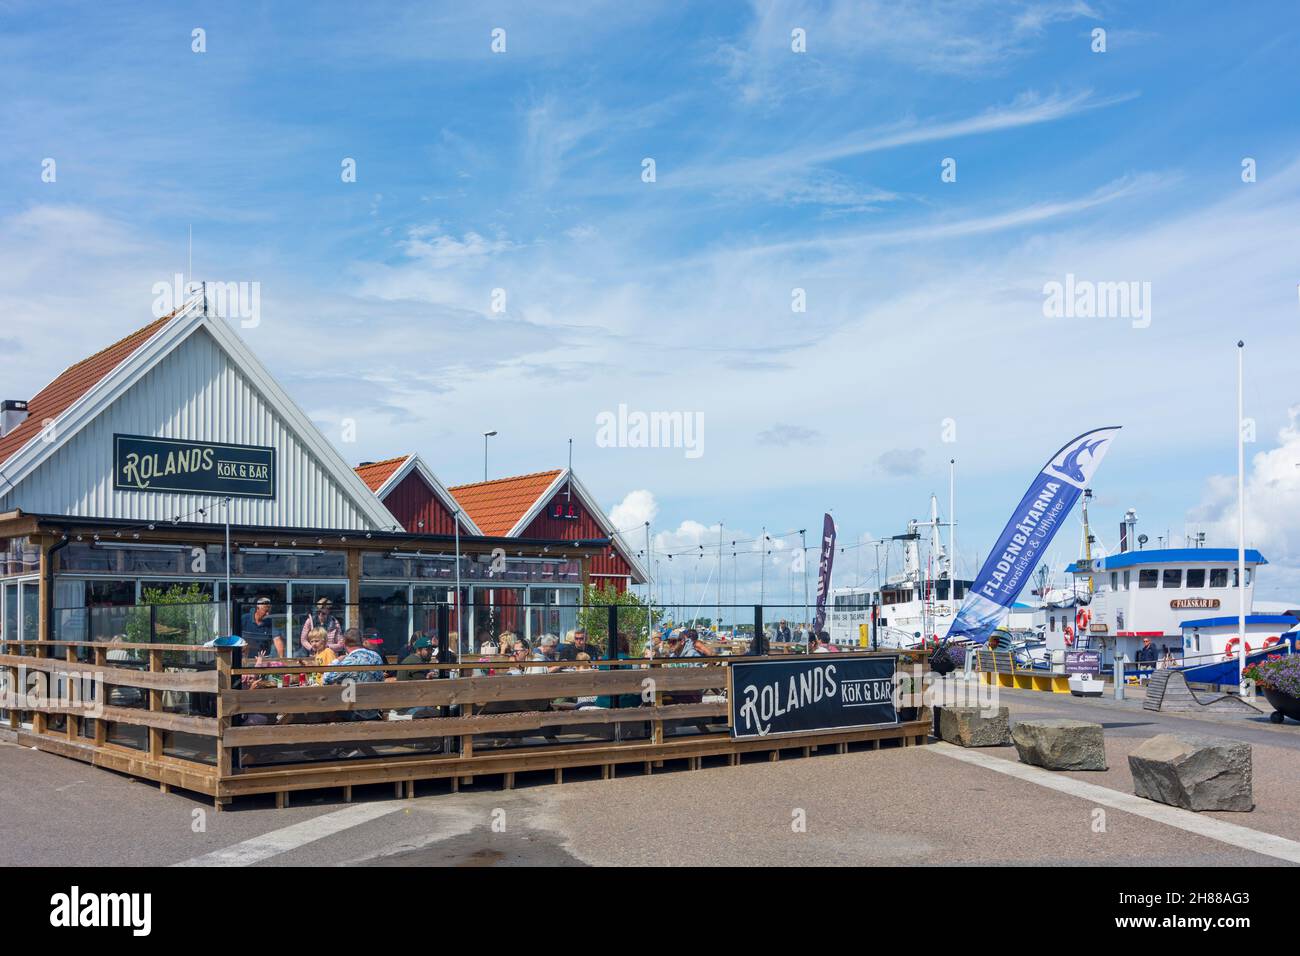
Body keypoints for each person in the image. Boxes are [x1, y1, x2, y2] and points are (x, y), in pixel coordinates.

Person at [323, 629, 386, 720]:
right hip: (374, 711)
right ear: (362, 641)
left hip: (356, 713)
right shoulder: (376, 656)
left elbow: (326, 679)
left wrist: (337, 660)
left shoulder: (350, 660)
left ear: (344, 643)